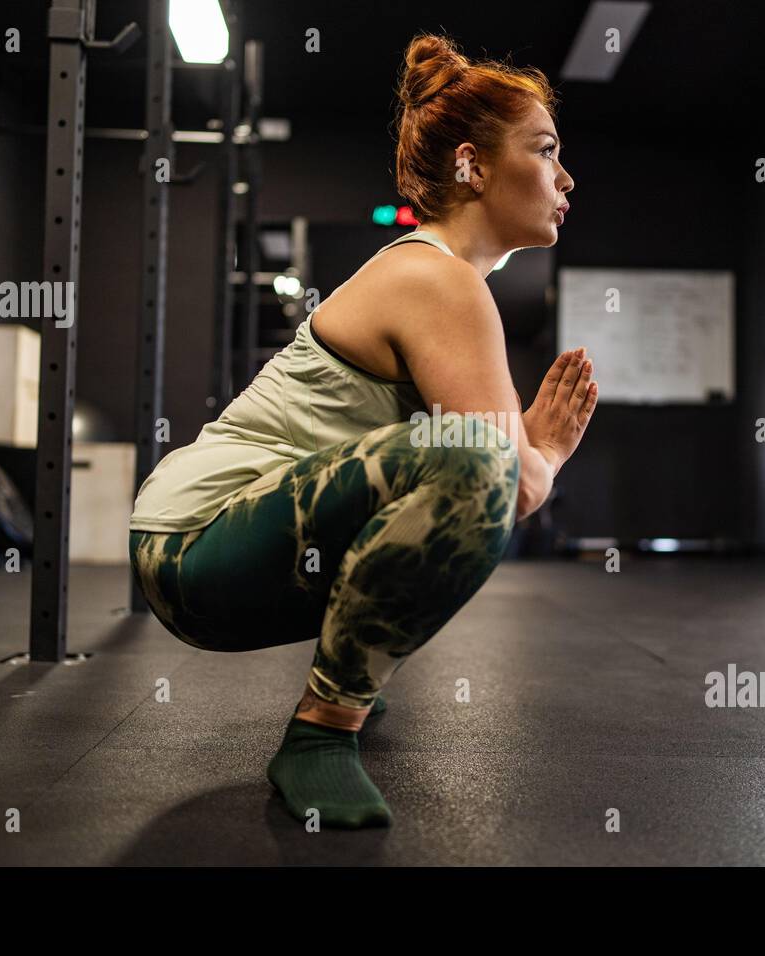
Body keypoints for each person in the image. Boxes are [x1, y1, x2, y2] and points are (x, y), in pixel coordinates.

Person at [128, 32, 596, 829]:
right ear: (474, 166)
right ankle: (319, 736)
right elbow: (510, 484)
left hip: (214, 556)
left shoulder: (442, 277)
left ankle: (352, 684)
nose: (566, 177)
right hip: (193, 546)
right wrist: (544, 450)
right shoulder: (436, 279)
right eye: (545, 150)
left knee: (461, 467)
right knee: (478, 460)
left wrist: (525, 456)